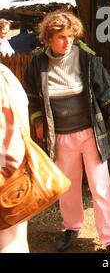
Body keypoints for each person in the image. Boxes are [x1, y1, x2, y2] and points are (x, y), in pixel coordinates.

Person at [24, 10, 110, 253]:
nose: (68, 41)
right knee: (68, 186)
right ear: (48, 38)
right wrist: (38, 120)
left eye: (71, 36)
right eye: (61, 37)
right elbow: (30, 95)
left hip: (90, 134)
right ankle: (71, 226)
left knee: (100, 185)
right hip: (60, 136)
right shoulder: (38, 62)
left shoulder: (86, 59)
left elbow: (108, 93)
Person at [0, 64, 30, 253]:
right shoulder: (6, 73)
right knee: (17, 236)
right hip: (16, 165)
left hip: (4, 169)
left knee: (8, 240)